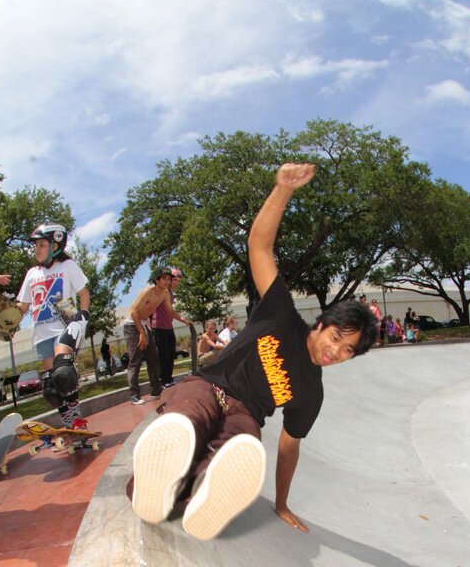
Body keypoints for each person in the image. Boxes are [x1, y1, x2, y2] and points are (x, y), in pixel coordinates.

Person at [129, 162, 376, 541]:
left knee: (243, 441)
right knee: (191, 420)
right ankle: (158, 474)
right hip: (208, 385)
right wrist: (283, 191)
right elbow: (259, 245)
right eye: (336, 338)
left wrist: (281, 503)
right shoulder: (280, 311)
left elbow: (289, 448)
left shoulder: (311, 392)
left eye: (347, 352)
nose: (335, 351)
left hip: (246, 413)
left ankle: (199, 493)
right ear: (322, 324)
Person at [15, 224, 90, 429]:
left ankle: (77, 421)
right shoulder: (32, 273)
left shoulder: (68, 267)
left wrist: (83, 317)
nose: (36, 249)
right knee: (51, 390)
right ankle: (68, 424)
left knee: (63, 374)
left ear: (55, 245)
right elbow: (23, 305)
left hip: (63, 329)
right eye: (35, 245)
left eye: (41, 244)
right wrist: (9, 318)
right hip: (41, 334)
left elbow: (84, 293)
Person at [123, 266, 192, 405]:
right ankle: (134, 395)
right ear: (156, 279)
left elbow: (171, 312)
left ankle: (155, 390)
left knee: (153, 358)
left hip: (142, 323)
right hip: (132, 324)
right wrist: (142, 332)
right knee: (135, 360)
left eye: (169, 279)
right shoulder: (147, 291)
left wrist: (183, 319)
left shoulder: (165, 293)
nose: (167, 282)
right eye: (164, 279)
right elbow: (134, 312)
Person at [152, 266, 183, 388]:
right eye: (174, 280)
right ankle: (163, 380)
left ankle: (168, 379)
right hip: (159, 327)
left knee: (171, 354)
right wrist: (182, 319)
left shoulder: (170, 293)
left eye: (178, 281)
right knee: (163, 355)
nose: (176, 283)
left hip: (168, 327)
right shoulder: (162, 291)